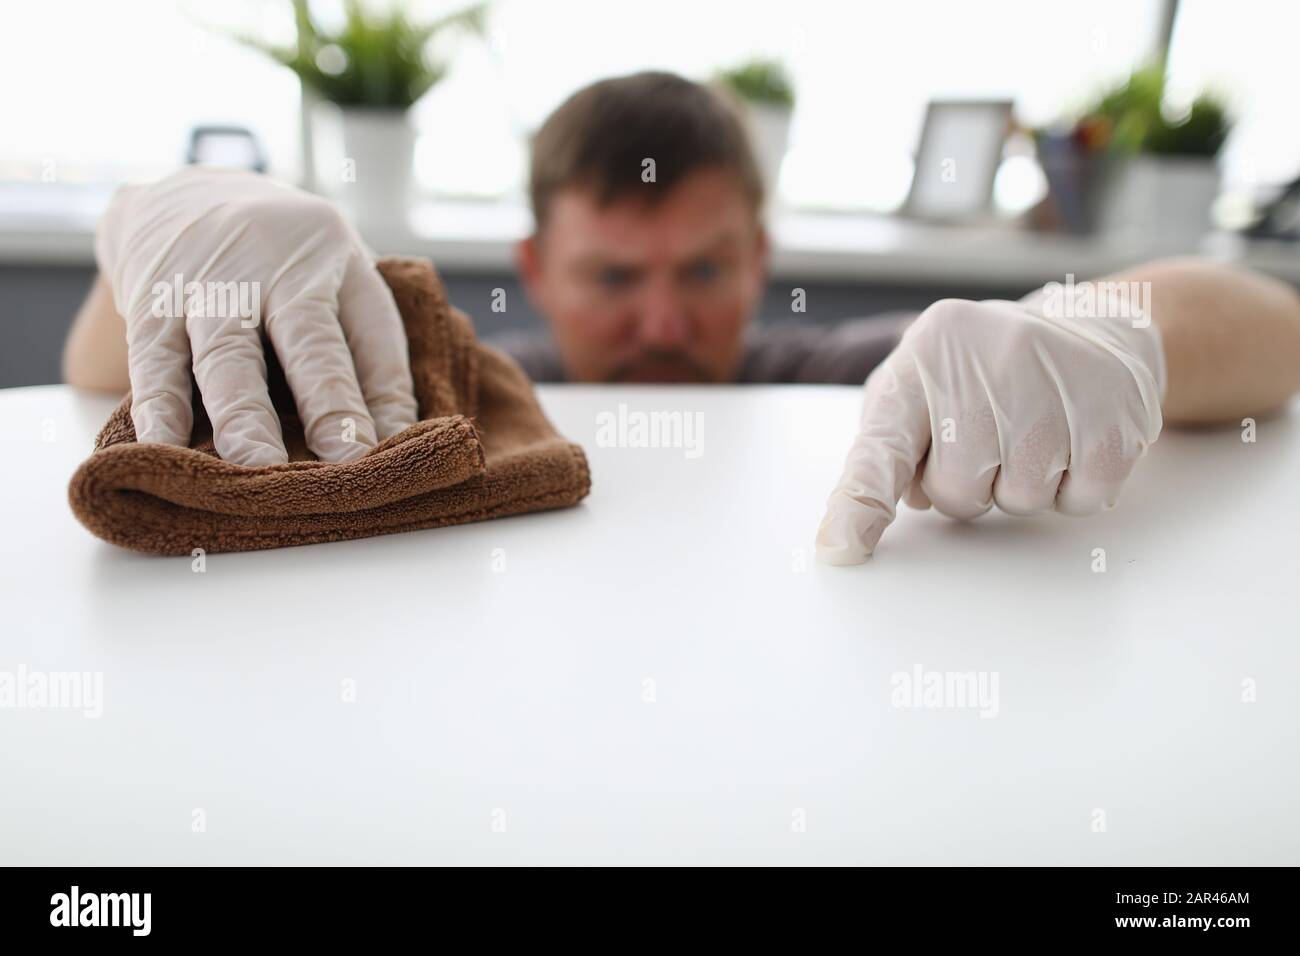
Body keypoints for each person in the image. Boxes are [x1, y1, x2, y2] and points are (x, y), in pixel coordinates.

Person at [63, 71, 1300, 562]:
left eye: (703, 271)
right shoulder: (475, 397)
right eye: (613, 276)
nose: (661, 318)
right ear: (537, 266)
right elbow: (94, 371)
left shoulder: (838, 383)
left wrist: (1105, 322)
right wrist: (162, 223)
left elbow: (1270, 324)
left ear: (760, 257)